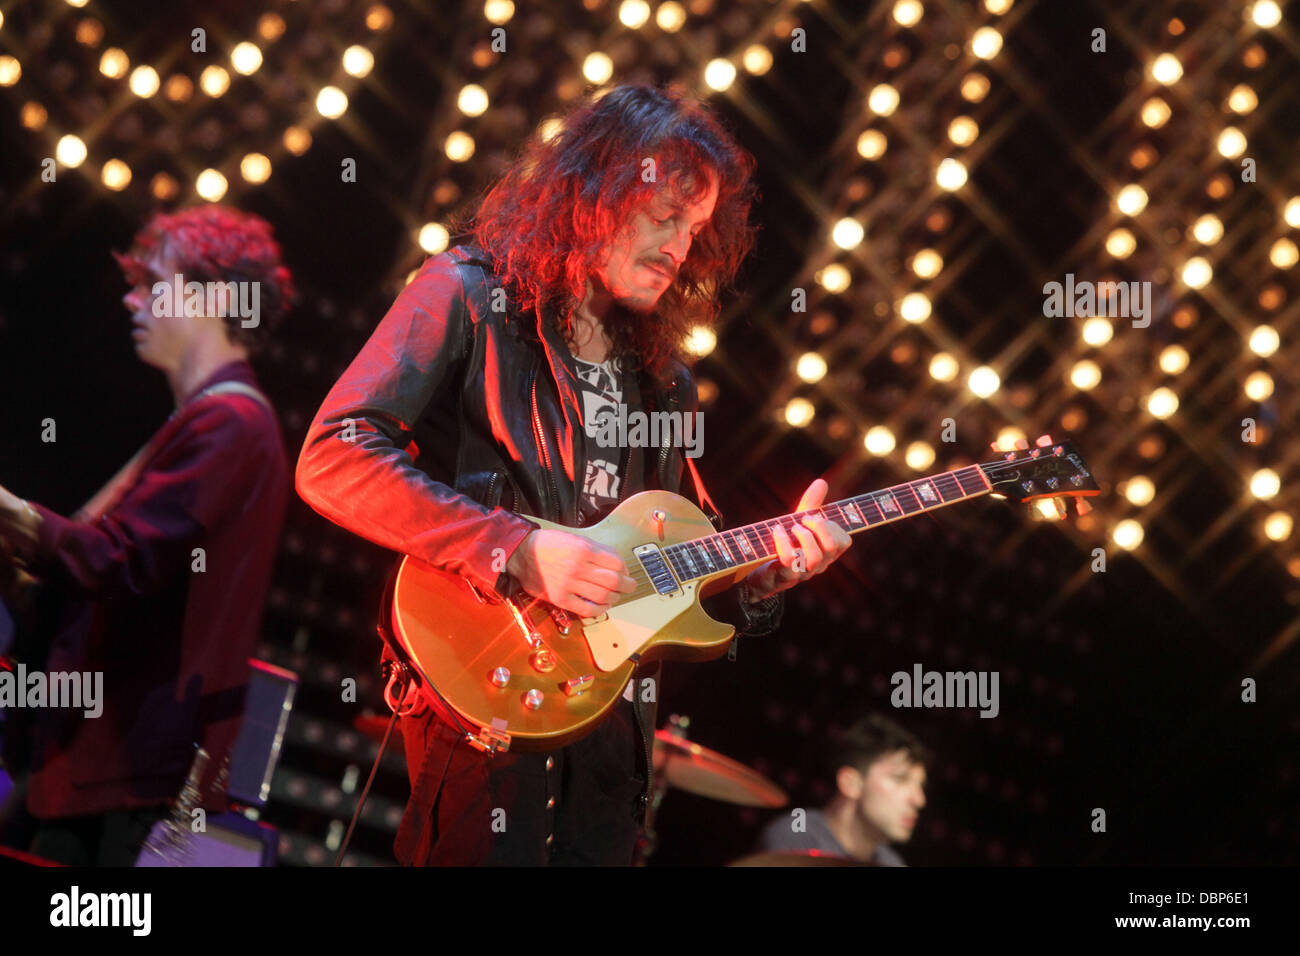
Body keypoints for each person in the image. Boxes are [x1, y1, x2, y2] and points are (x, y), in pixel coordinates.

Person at [296, 83, 853, 866]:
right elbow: (333, 453)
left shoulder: (665, 382)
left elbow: (669, 568)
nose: (680, 248)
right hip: (485, 700)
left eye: (695, 231)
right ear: (594, 193)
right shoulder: (467, 293)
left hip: (612, 739)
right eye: (665, 216)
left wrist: (763, 579)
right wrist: (514, 547)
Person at [0, 205, 294, 865]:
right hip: (99, 763)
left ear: (215, 296)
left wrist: (15, 514)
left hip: (122, 768)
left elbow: (118, 560)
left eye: (153, 283)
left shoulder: (232, 425)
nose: (133, 300)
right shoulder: (216, 419)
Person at [756, 713, 929, 865]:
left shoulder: (892, 863)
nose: (919, 800)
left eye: (921, 786)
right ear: (850, 784)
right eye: (900, 779)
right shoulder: (796, 835)